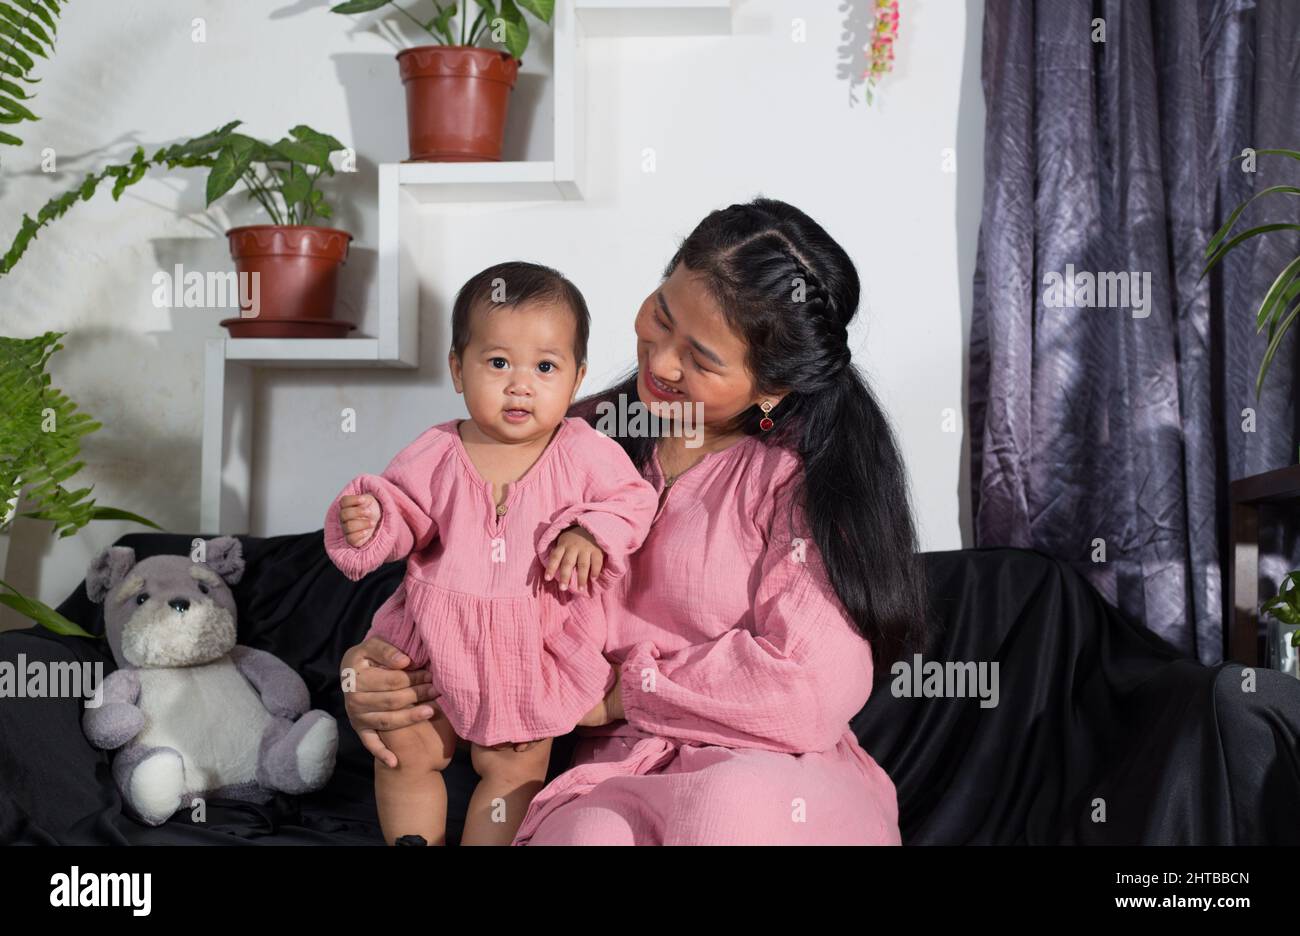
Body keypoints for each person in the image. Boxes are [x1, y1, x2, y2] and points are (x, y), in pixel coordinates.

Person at [338, 197, 929, 844]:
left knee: (724, 814)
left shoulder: (798, 488)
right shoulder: (568, 437)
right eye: (663, 314)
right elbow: (459, 569)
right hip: (611, 773)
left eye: (701, 359)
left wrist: (626, 692)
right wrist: (378, 669)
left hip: (768, 763)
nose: (663, 362)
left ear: (771, 389)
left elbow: (809, 689)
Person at [324, 261, 657, 845]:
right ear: (458, 369)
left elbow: (634, 501)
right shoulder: (436, 449)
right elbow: (403, 515)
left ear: (576, 379)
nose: (520, 383)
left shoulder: (584, 450)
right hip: (431, 639)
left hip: (528, 646)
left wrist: (591, 532)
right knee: (406, 749)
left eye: (545, 366)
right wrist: (373, 520)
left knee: (512, 769)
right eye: (498, 362)